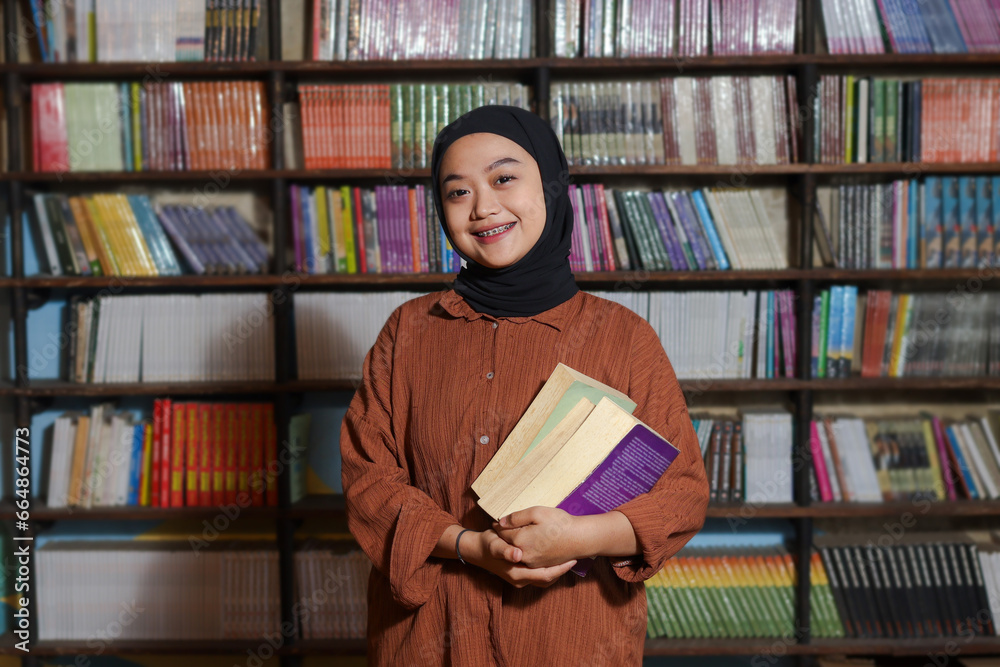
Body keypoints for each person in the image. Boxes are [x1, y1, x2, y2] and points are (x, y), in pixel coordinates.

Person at [340, 105, 709, 666]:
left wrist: (579, 538)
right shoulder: (408, 332)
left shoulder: (625, 339)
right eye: (457, 192)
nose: (484, 208)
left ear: (553, 186)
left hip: (572, 640)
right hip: (427, 642)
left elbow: (681, 497)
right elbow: (369, 484)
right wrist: (469, 546)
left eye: (504, 178)